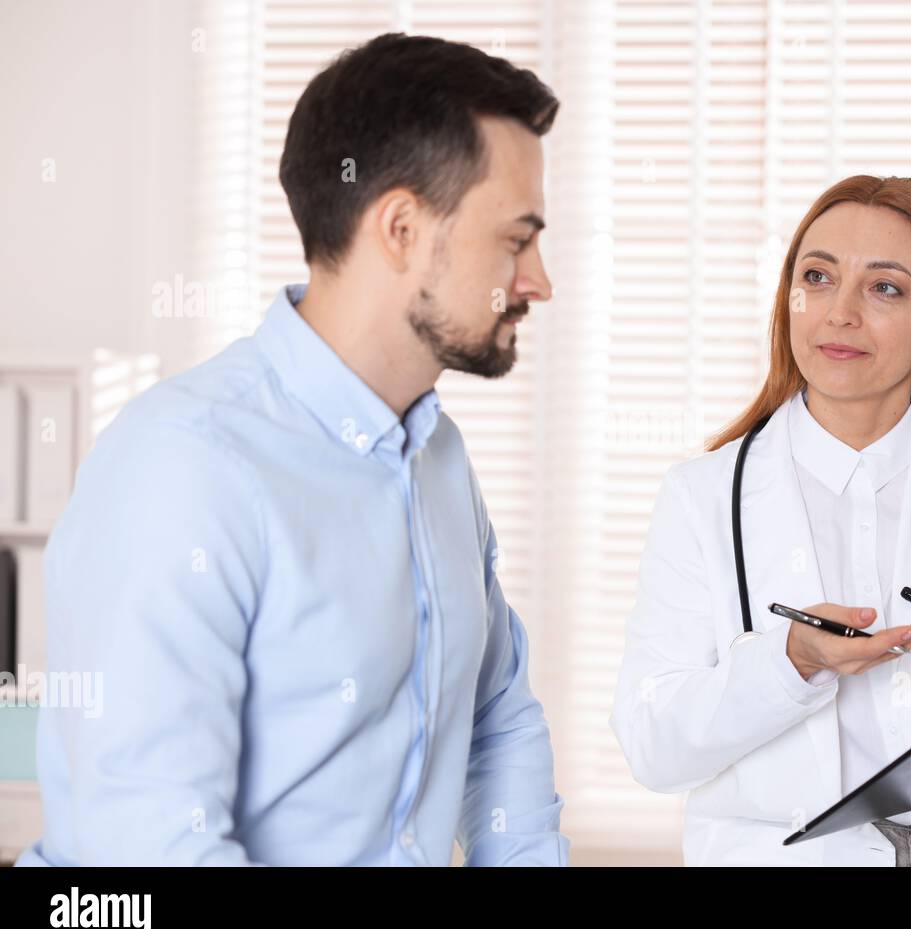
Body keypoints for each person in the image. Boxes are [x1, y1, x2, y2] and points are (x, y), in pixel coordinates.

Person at [19, 33, 568, 866]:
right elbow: (146, 850)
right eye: (516, 239)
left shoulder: (438, 456)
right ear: (401, 226)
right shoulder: (183, 467)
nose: (538, 279)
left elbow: (496, 717)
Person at [611, 175, 911, 866]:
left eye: (885, 288)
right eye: (818, 276)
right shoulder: (702, 496)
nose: (840, 313)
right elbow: (653, 747)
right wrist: (789, 662)